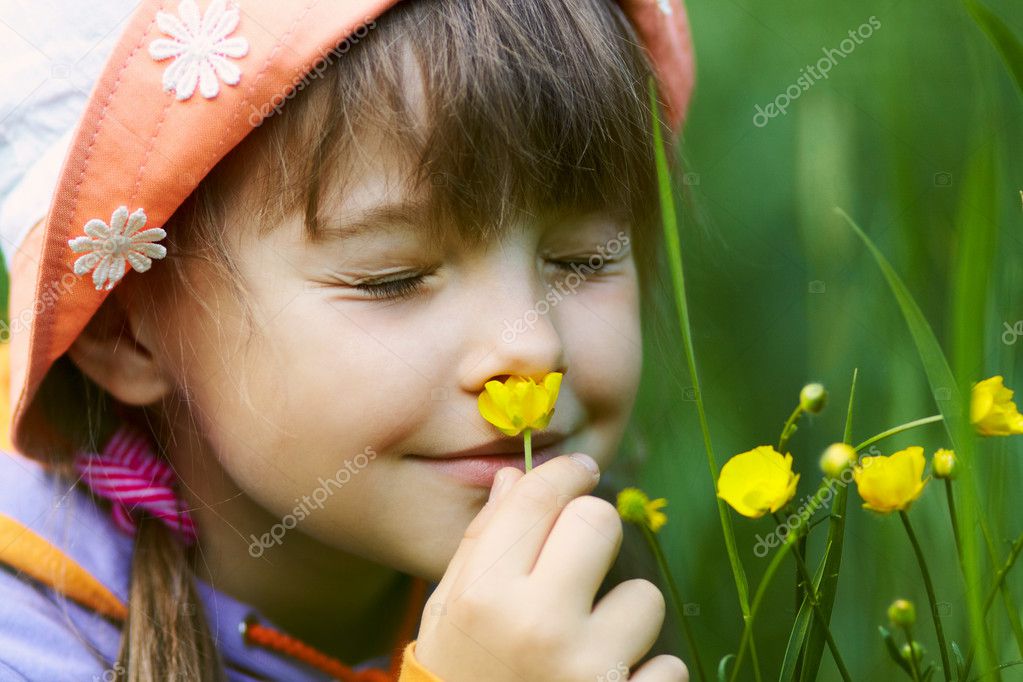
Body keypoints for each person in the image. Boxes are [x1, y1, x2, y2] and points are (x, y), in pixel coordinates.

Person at [0, 0, 695, 679]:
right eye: (393, 279)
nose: (533, 350)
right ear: (125, 334)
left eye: (583, 260)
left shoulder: (594, 603)